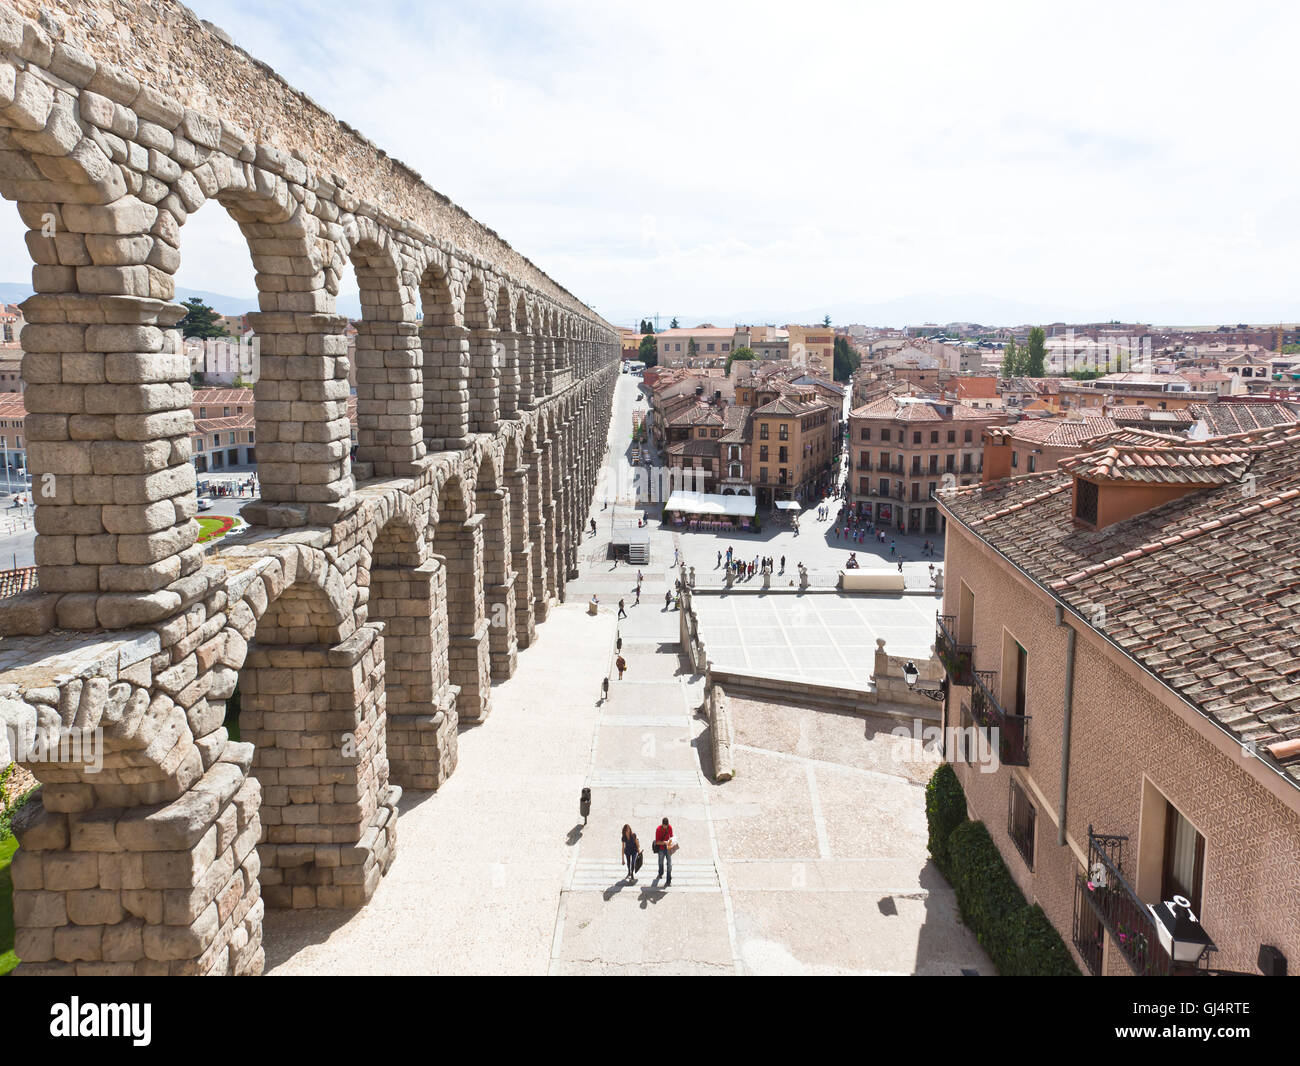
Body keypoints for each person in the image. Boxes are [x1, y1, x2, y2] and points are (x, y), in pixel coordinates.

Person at [654, 816, 674, 886]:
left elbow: (671, 837)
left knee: (669, 864)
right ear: (662, 824)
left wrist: (671, 842)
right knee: (660, 862)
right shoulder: (658, 829)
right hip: (661, 848)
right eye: (664, 826)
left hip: (668, 848)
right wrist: (665, 842)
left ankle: (668, 880)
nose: (666, 828)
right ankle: (660, 873)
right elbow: (657, 842)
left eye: (667, 826)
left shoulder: (670, 827)